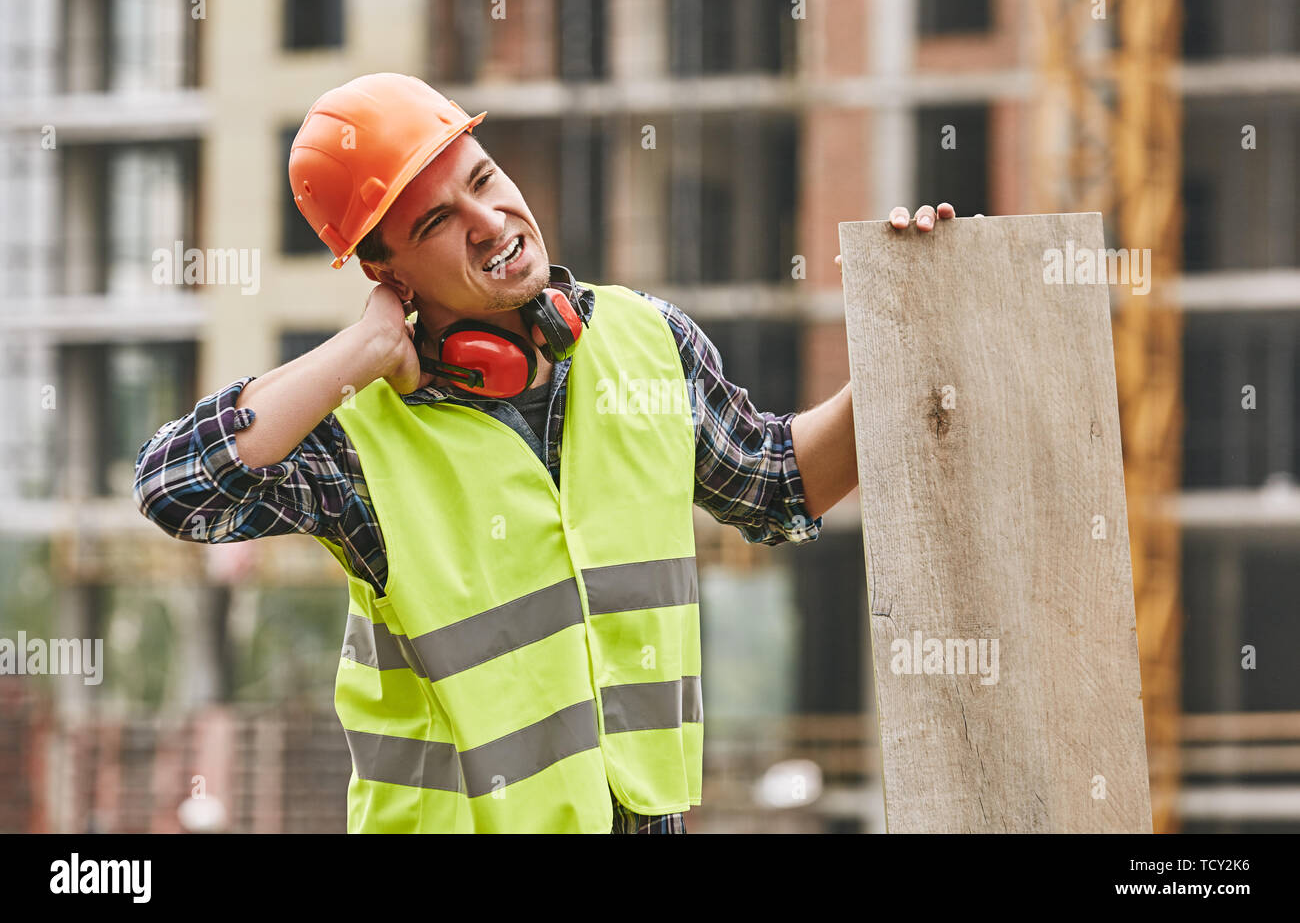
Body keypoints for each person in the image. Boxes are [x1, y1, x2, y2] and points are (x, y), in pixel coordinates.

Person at [133, 72, 954, 833]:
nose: (489, 222)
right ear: (387, 273)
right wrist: (358, 352)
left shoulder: (648, 343)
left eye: (483, 181)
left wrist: (905, 341)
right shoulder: (360, 440)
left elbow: (779, 487)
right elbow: (175, 487)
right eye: (435, 222)